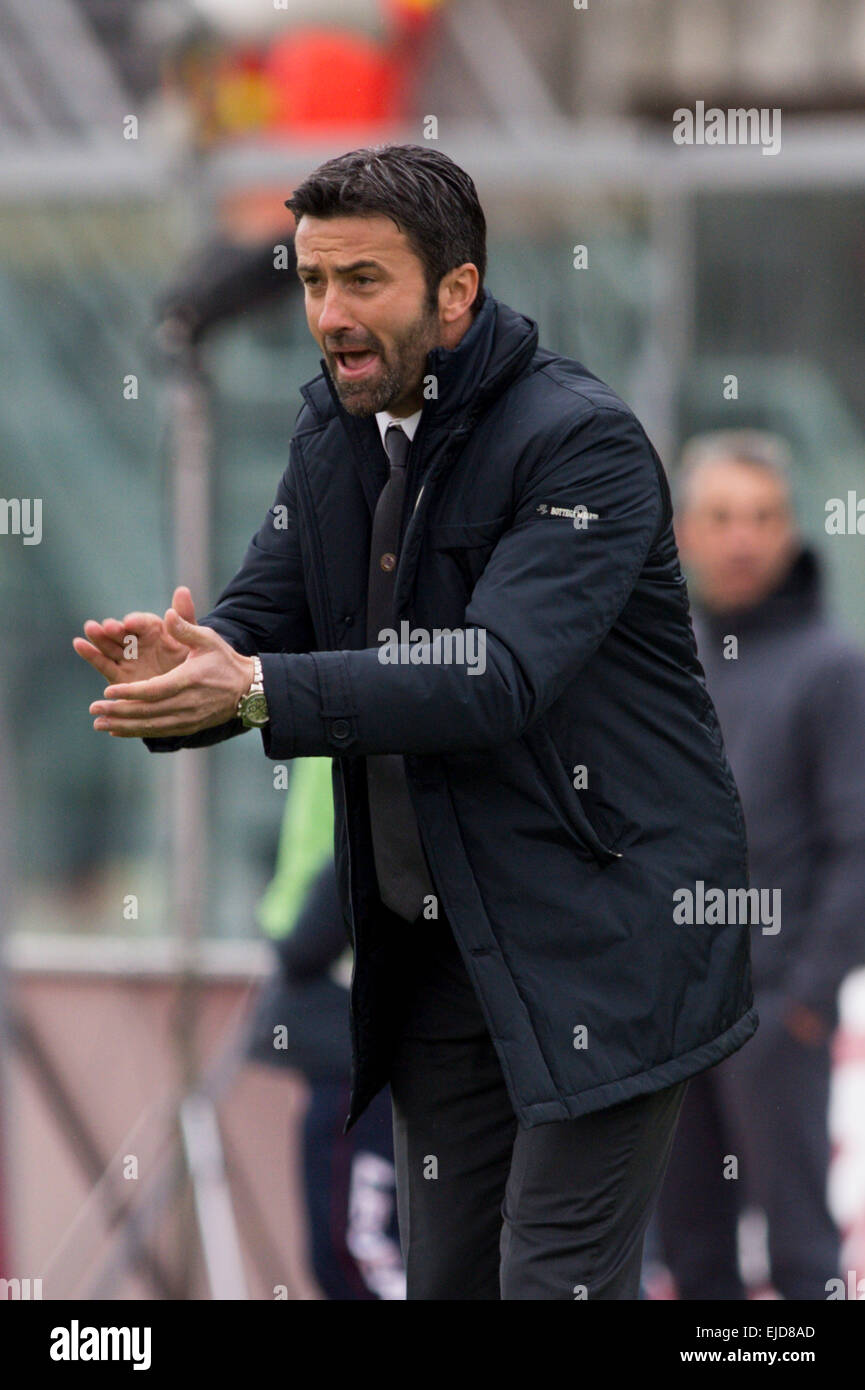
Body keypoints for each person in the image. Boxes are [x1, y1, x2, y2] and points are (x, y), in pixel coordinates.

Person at [74, 143, 756, 1301]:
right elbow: (254, 631)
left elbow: (489, 677)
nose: (328, 314)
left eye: (362, 282)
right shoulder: (328, 435)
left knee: (549, 1287)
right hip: (439, 963)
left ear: (456, 291)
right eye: (309, 281)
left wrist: (251, 688)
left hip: (604, 957)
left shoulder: (578, 440)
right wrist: (175, 677)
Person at [656, 430, 865, 1300]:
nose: (742, 537)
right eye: (721, 517)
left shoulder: (832, 668)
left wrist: (805, 1001)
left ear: (789, 533)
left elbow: (858, 845)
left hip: (776, 1011)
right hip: (673, 1016)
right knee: (691, 1255)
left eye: (762, 517)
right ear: (684, 533)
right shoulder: (669, 664)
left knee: (799, 1253)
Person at [247, 756, 404, 1300]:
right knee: (347, 1253)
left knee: (358, 1254)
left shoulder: (358, 706)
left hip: (360, 1040)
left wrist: (300, 937)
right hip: (346, 1037)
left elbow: (353, 857)